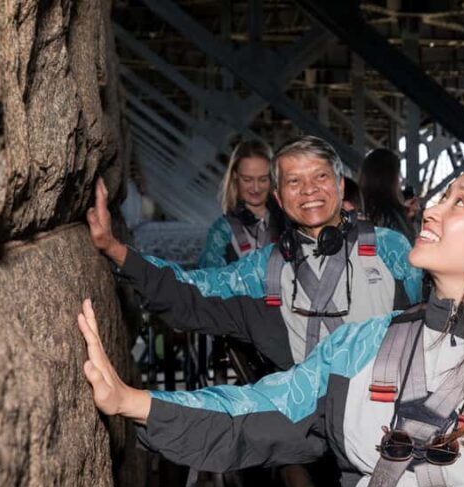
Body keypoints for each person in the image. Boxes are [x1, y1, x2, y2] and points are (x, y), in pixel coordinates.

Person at [79, 165, 464, 487]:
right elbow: (260, 408)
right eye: (444, 195)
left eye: (459, 202)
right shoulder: (363, 344)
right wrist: (133, 402)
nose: (432, 210)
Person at [87, 136, 423, 369]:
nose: (308, 190)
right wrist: (115, 249)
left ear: (340, 184)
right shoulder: (262, 267)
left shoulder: (390, 249)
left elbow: (423, 329)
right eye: (294, 182)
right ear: (279, 198)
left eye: (320, 176)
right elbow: (194, 286)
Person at [199, 139, 283, 268]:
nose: (255, 188)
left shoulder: (288, 224)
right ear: (235, 176)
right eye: (247, 179)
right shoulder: (222, 231)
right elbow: (209, 278)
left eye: (263, 179)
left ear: (273, 178)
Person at [358, 148, 416, 242]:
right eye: (398, 176)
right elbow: (405, 248)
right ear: (391, 179)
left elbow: (366, 251)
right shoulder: (393, 217)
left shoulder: (359, 213)